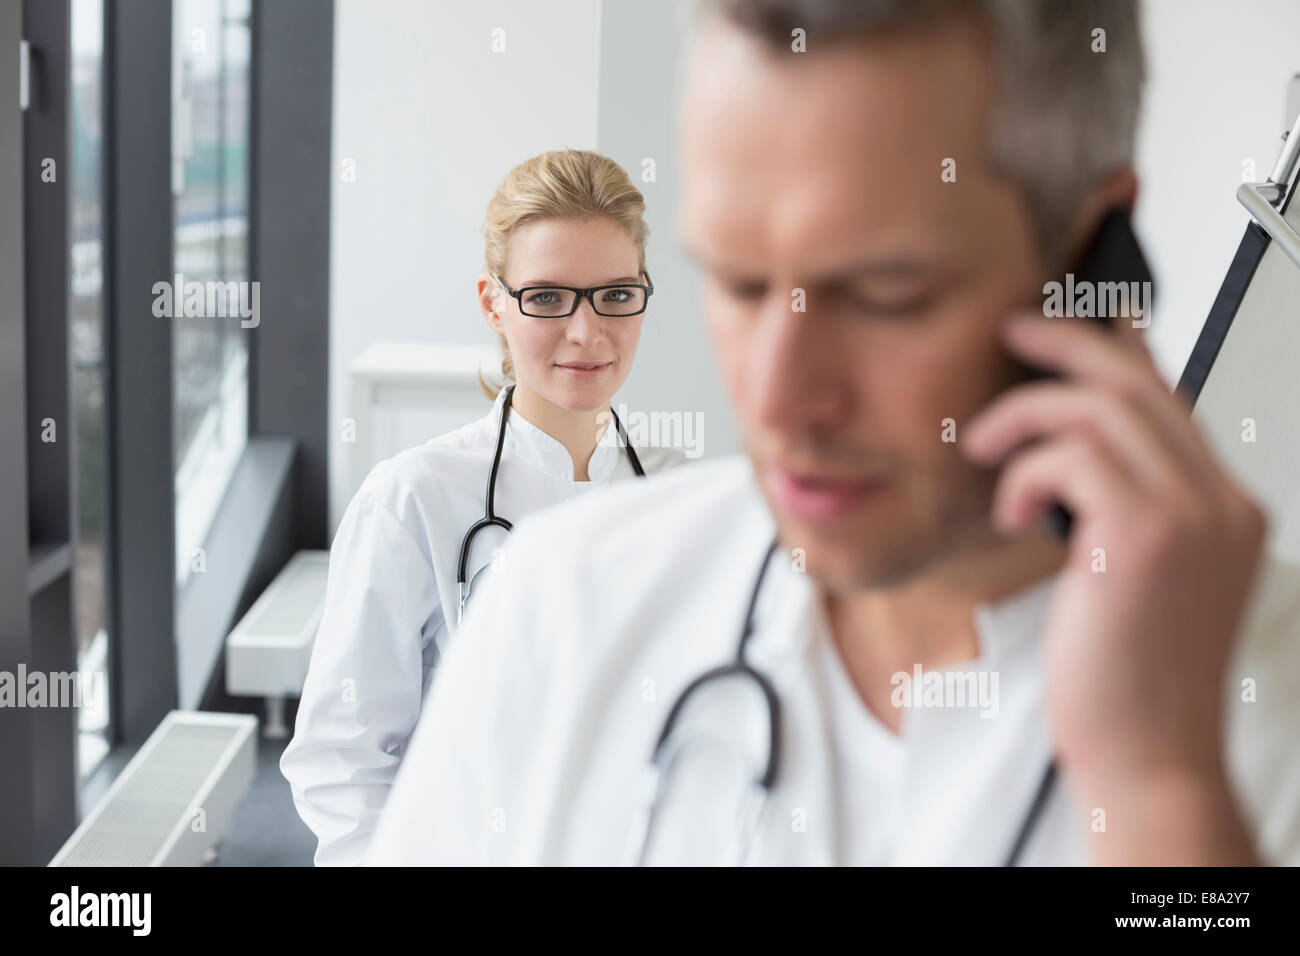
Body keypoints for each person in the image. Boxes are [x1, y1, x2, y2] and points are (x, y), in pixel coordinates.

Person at [367, 0, 1300, 865]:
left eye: (884, 294)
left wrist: (1166, 793)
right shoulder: (562, 606)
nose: (777, 400)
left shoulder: (1269, 695)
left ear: (1090, 260)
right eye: (736, 283)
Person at [281, 149, 687, 866]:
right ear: (493, 302)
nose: (587, 332)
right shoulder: (416, 499)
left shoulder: (677, 494)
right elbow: (342, 764)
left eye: (616, 295)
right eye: (548, 297)